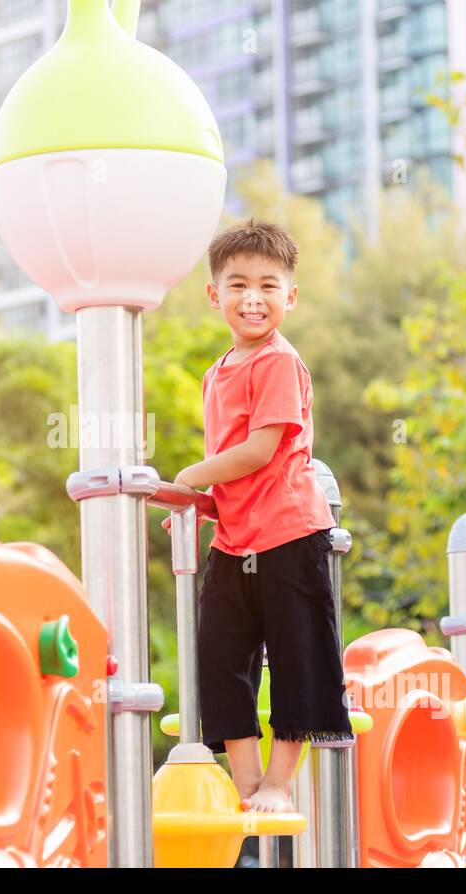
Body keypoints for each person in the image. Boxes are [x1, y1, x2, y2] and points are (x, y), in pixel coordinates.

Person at [166, 217, 353, 813]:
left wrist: (192, 477)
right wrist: (198, 507)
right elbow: (229, 464)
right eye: (238, 284)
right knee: (220, 657)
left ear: (290, 297)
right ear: (214, 294)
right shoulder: (217, 371)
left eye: (269, 286)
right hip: (235, 541)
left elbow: (258, 450)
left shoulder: (277, 362)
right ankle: (247, 783)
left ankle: (278, 780)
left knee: (296, 657)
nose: (253, 298)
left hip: (288, 535)